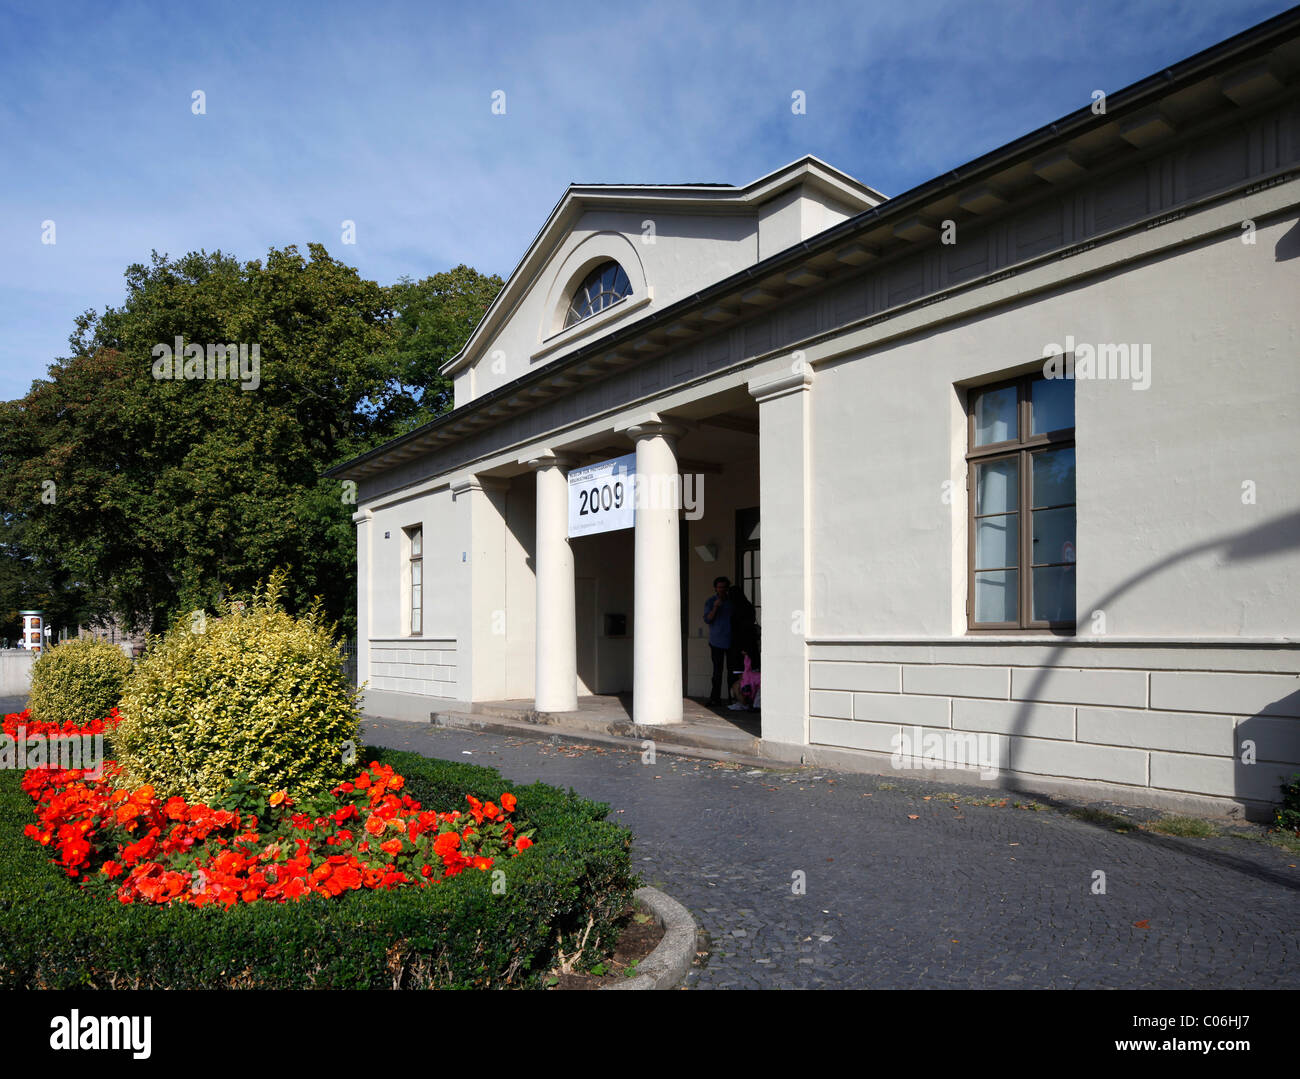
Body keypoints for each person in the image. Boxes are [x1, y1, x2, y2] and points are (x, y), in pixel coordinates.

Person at [703, 576, 734, 706]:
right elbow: (707, 619)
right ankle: (715, 698)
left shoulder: (732, 601)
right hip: (716, 641)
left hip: (732, 641)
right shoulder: (710, 601)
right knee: (717, 672)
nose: (721, 590)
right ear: (715, 588)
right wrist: (715, 607)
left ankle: (733, 698)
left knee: (732, 672)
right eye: (719, 587)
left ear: (727, 588)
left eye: (724, 587)